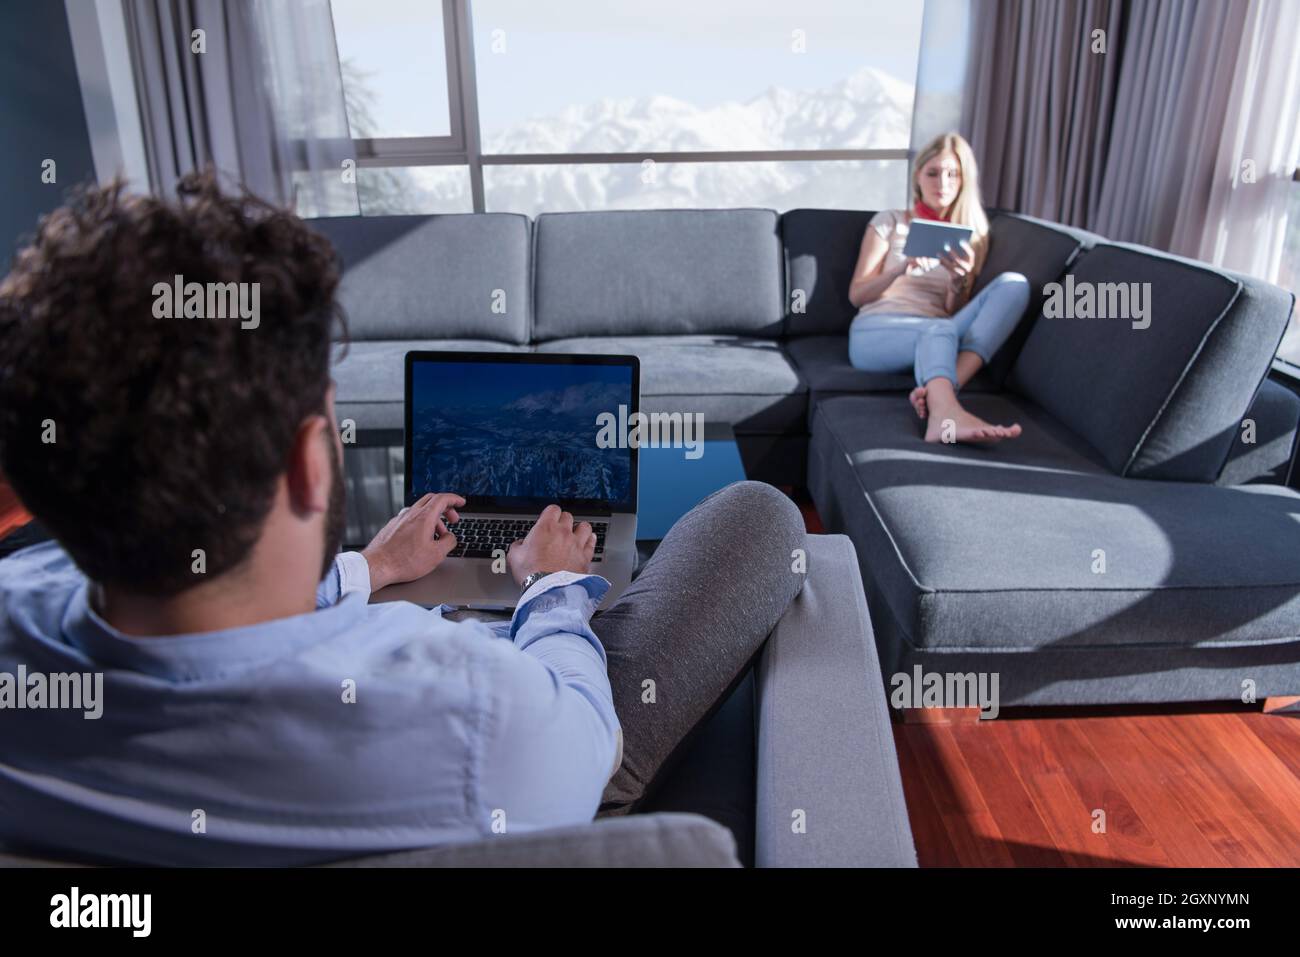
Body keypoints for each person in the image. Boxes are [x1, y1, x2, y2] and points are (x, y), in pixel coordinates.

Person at [0, 173, 805, 865]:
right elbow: (586, 748)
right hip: (566, 747)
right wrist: (554, 587)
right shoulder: (480, 715)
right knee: (758, 513)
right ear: (312, 464)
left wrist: (369, 569)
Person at [847, 132, 1031, 445]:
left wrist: (959, 282)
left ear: (963, 181)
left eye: (952, 174)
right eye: (932, 173)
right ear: (917, 176)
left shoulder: (973, 237)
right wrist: (900, 269)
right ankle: (947, 411)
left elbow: (951, 313)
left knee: (1014, 285)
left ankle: (938, 394)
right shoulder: (890, 221)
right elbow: (857, 295)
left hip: (936, 330)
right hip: (878, 328)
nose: (941, 183)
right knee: (939, 330)